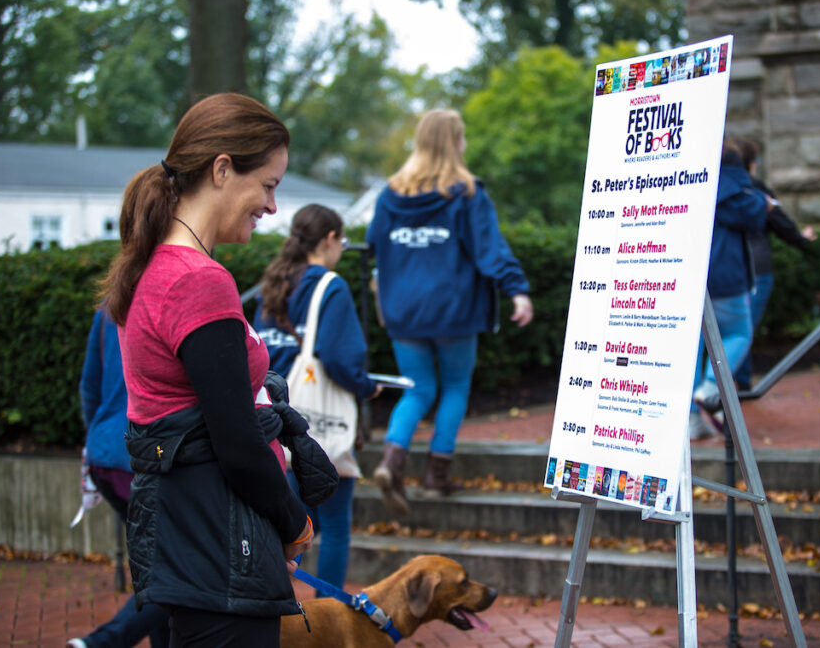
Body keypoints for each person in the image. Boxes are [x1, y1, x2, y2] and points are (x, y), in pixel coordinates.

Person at [98, 93, 327, 647]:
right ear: (222, 169)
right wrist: (294, 524)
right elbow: (237, 441)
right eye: (267, 185)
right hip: (220, 546)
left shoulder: (154, 265)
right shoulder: (197, 280)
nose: (272, 206)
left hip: (188, 539)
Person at [366, 108, 533, 516]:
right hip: (453, 309)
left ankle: (390, 462)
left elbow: (373, 244)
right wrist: (517, 290)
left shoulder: (390, 195)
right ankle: (436, 476)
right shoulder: (467, 193)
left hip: (404, 311)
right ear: (455, 142)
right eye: (462, 137)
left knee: (417, 389)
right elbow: (489, 249)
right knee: (455, 386)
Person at [253, 204, 382, 591]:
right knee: (336, 527)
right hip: (317, 426)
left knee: (287, 528)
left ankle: (277, 608)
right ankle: (329, 611)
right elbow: (339, 358)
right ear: (329, 239)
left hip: (273, 419)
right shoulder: (331, 286)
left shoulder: (272, 284)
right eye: (341, 240)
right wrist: (367, 386)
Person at [67, 310, 170, 648]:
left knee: (157, 566)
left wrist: (101, 436)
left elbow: (89, 386)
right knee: (174, 571)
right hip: (143, 456)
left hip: (106, 455)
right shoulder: (166, 299)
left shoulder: (109, 309)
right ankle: (101, 643)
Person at [690, 140, 770, 439]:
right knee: (739, 333)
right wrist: (765, 202)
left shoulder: (692, 186)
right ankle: (712, 386)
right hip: (727, 278)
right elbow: (758, 210)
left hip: (692, 279)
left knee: (692, 350)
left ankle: (692, 420)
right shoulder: (741, 197)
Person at [733, 137, 817, 391]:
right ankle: (718, 386)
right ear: (752, 163)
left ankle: (741, 385)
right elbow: (781, 223)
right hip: (756, 270)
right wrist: (802, 239)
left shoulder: (719, 188)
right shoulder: (756, 190)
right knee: (741, 332)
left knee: (738, 330)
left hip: (730, 269)